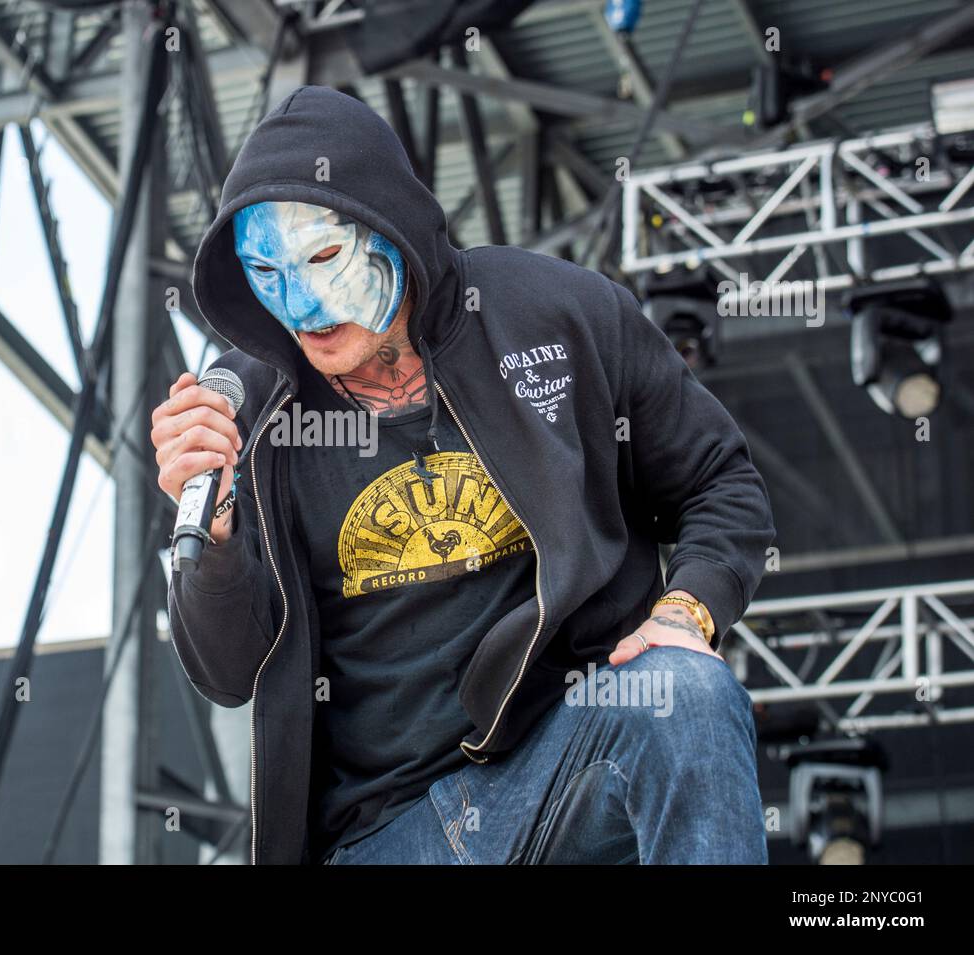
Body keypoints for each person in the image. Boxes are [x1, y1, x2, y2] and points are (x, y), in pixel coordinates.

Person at [150, 85, 776, 865]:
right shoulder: (252, 410)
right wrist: (213, 540)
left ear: (391, 227)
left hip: (559, 759)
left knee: (687, 692)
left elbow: (718, 479)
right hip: (387, 833)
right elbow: (226, 671)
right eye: (265, 270)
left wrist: (687, 610)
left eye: (321, 257)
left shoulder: (558, 315)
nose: (301, 301)